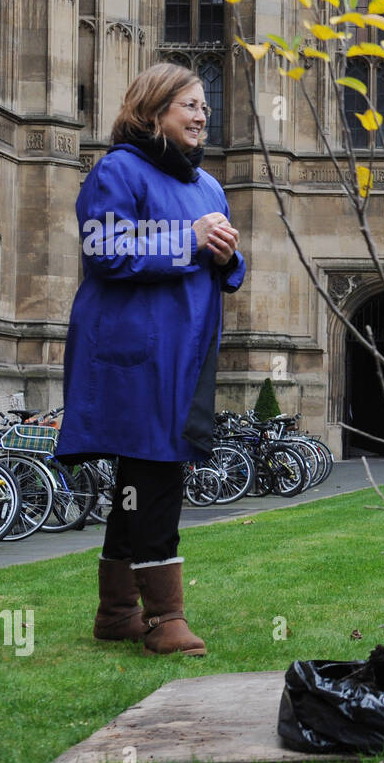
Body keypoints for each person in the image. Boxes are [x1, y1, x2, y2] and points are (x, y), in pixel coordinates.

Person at [56, 63, 246, 655]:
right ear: (153, 109)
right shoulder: (118, 169)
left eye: (204, 107)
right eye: (189, 105)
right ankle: (165, 618)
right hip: (133, 355)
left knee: (139, 481)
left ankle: (116, 612)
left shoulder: (210, 187)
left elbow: (228, 266)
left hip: (187, 355)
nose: (201, 116)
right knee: (154, 473)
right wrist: (190, 241)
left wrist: (226, 254)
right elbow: (104, 247)